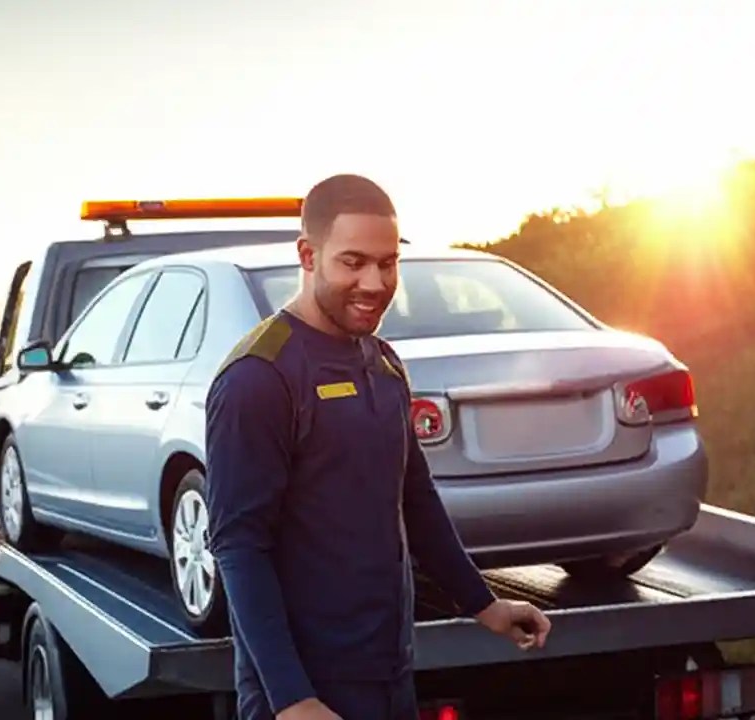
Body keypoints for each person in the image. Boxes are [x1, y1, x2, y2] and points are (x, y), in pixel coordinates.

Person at [205, 174, 552, 720]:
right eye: (353, 262)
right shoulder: (259, 379)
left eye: (387, 263)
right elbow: (238, 547)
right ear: (308, 254)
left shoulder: (384, 364)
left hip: (389, 674)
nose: (374, 282)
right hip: (306, 690)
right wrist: (293, 699)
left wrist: (483, 604)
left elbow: (415, 497)